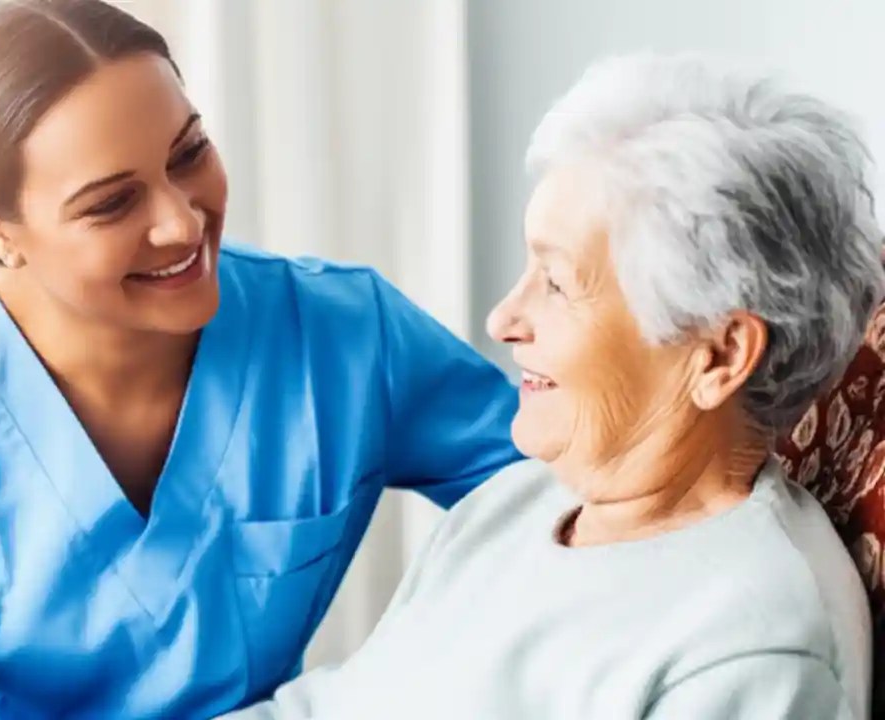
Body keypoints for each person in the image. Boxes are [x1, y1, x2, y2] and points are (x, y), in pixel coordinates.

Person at [0, 1, 521, 717]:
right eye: (112, 203)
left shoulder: (345, 335)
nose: (182, 222)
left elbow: (582, 495)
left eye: (189, 155)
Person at [223, 53, 882, 720]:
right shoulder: (517, 501)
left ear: (718, 355)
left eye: (558, 284)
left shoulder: (753, 648)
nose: (503, 319)